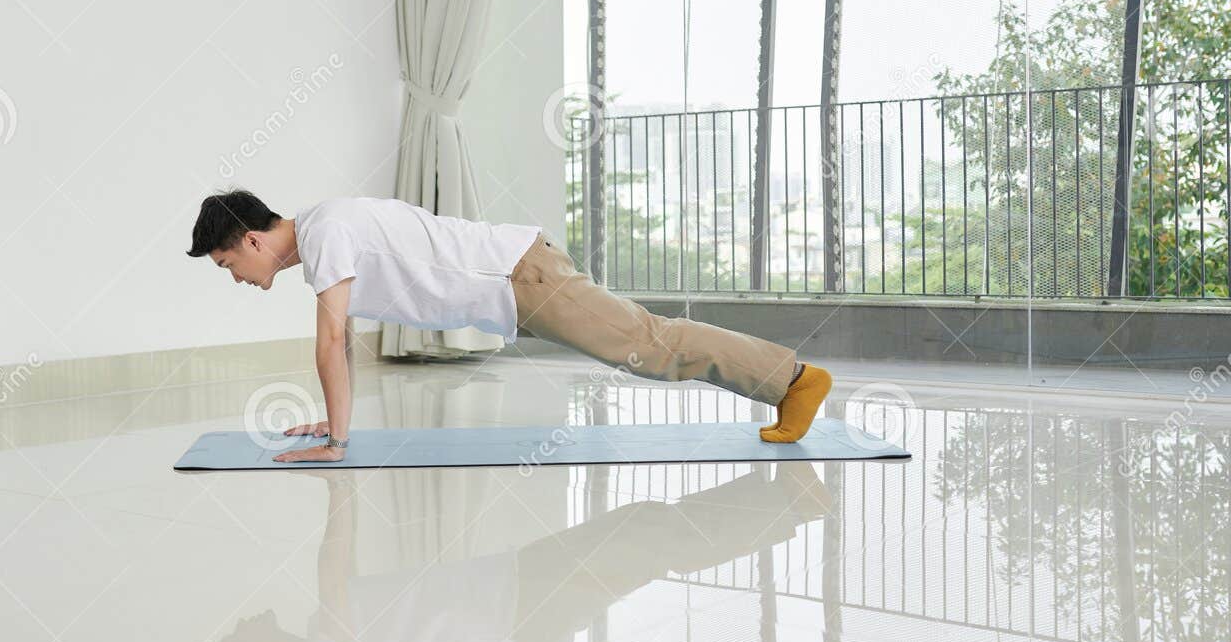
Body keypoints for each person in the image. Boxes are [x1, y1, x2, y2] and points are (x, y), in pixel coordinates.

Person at [185, 189, 833, 464]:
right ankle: (791, 380)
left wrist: (338, 441)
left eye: (226, 262)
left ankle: (796, 380)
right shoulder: (326, 230)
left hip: (521, 278)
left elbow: (329, 340)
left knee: (651, 345)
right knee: (648, 343)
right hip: (520, 277)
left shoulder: (323, 232)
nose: (234, 275)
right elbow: (342, 340)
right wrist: (335, 421)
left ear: (250, 238)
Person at [193, 461, 833, 642]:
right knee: (647, 541)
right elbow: (333, 575)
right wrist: (340, 489)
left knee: (640, 534)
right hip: (518, 611)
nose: (241, 624)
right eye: (232, 640)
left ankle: (779, 502)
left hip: (513, 596)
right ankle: (790, 504)